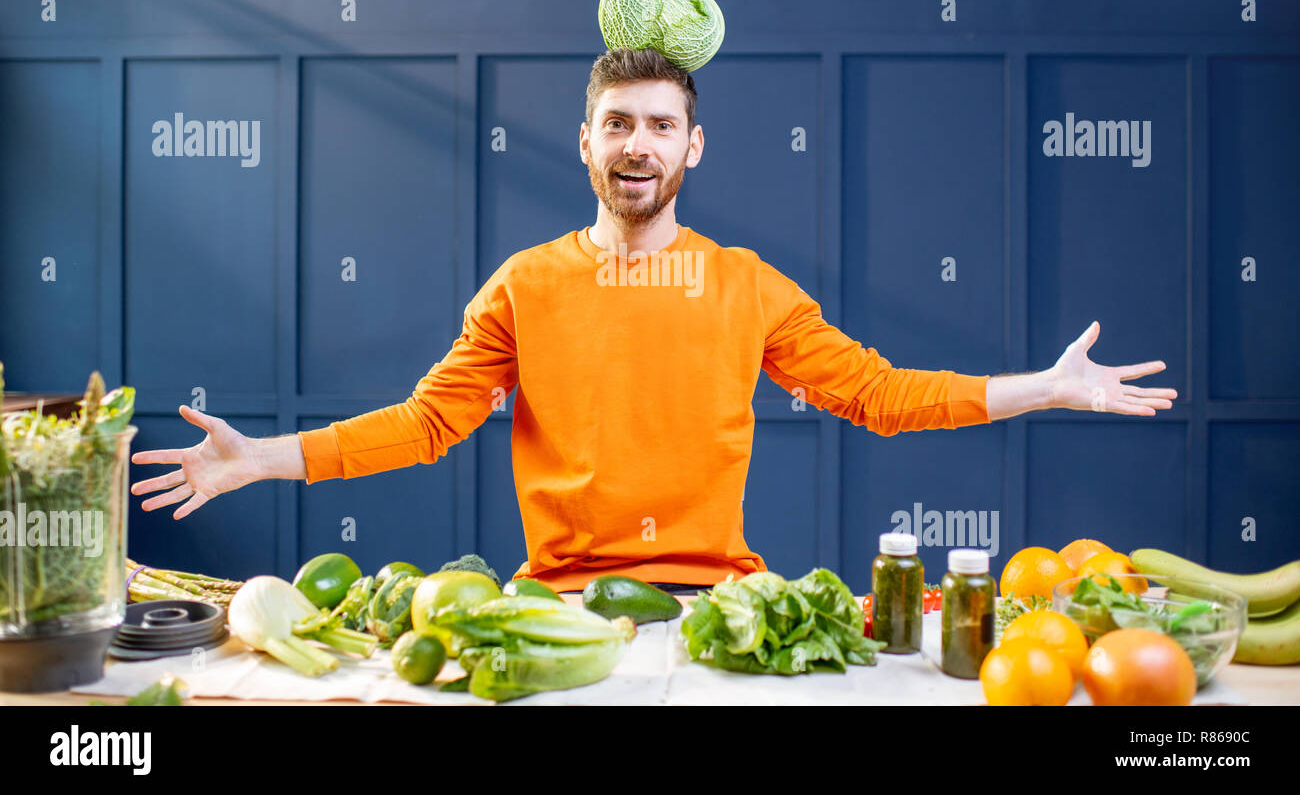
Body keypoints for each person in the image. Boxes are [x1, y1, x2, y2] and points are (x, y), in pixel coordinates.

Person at [131, 48, 1177, 594]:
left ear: (694, 149)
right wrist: (261, 458)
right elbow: (426, 423)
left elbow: (878, 395)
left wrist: (1045, 387)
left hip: (718, 596)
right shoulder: (521, 287)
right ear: (585, 144)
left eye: (660, 127)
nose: (639, 144)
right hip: (562, 598)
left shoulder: (747, 286)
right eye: (618, 124)